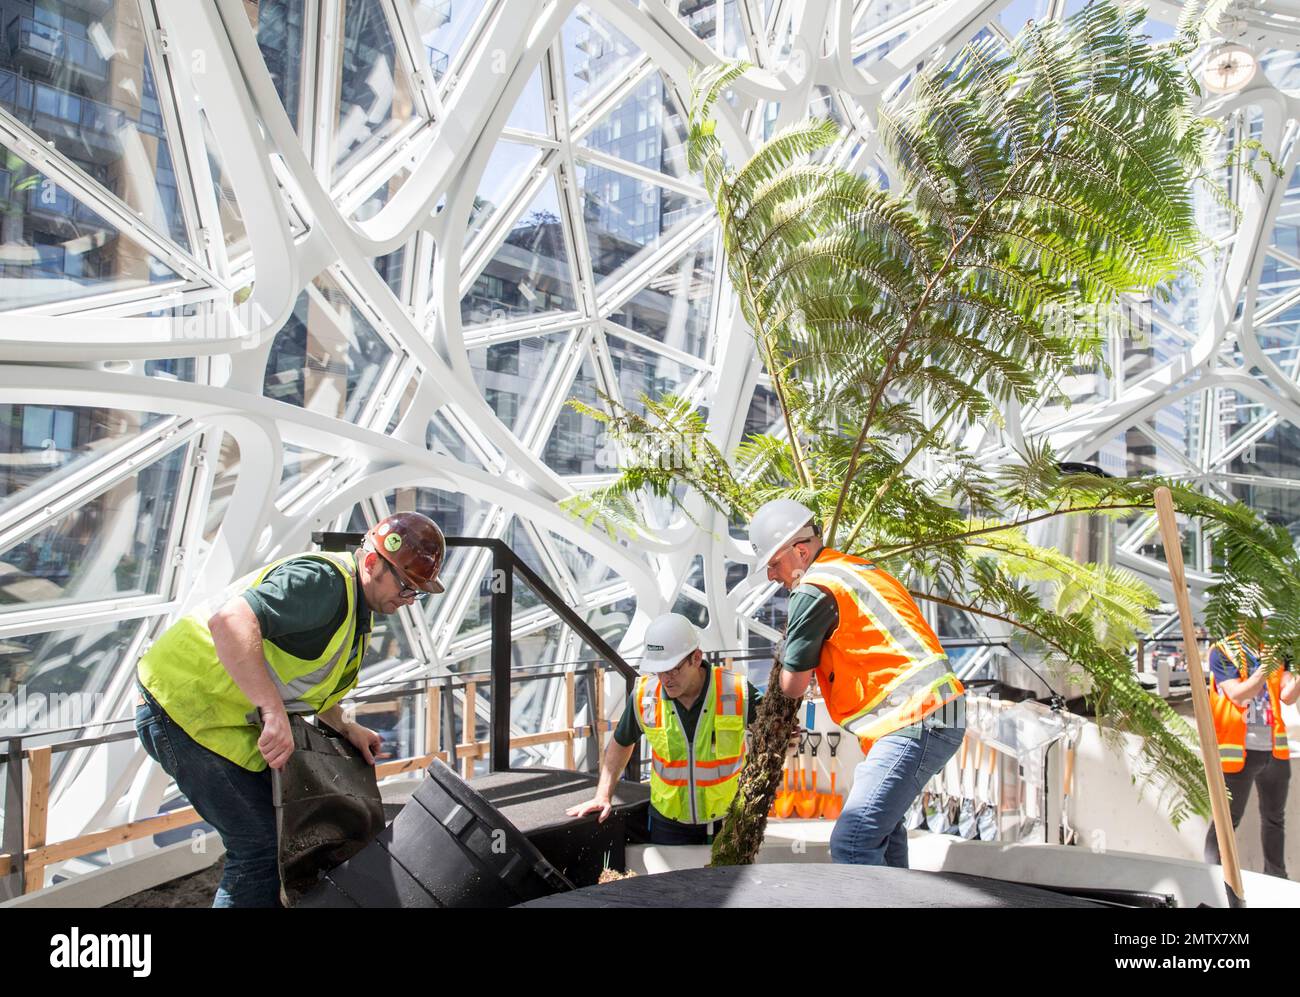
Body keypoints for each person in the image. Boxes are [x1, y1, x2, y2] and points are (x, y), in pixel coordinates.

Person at [134, 512, 446, 906]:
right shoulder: (322, 582)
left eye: (415, 593)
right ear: (371, 563)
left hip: (218, 719)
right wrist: (272, 710)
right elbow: (229, 622)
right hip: (182, 707)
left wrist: (347, 725)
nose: (407, 601)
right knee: (259, 846)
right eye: (405, 587)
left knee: (275, 840)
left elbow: (309, 684)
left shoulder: (355, 611)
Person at [748, 498, 966, 867]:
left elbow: (791, 685)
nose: (771, 576)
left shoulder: (814, 588)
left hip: (916, 718)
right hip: (931, 714)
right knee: (883, 837)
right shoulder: (856, 570)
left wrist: (795, 645)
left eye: (773, 564)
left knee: (852, 841)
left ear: (800, 551)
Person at [567, 613, 759, 845]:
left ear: (696, 658)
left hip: (729, 819)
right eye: (659, 670)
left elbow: (774, 731)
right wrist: (602, 795)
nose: (665, 679)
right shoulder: (646, 695)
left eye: (673, 669)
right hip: (668, 822)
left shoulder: (735, 690)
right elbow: (621, 742)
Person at [1204, 626, 1298, 878]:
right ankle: (1212, 877)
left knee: (1275, 820)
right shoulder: (1222, 651)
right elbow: (1237, 694)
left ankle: (1278, 879)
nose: (1269, 624)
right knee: (1226, 822)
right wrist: (1265, 668)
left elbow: (1287, 696)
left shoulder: (1275, 651)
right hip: (1238, 753)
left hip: (1274, 751)